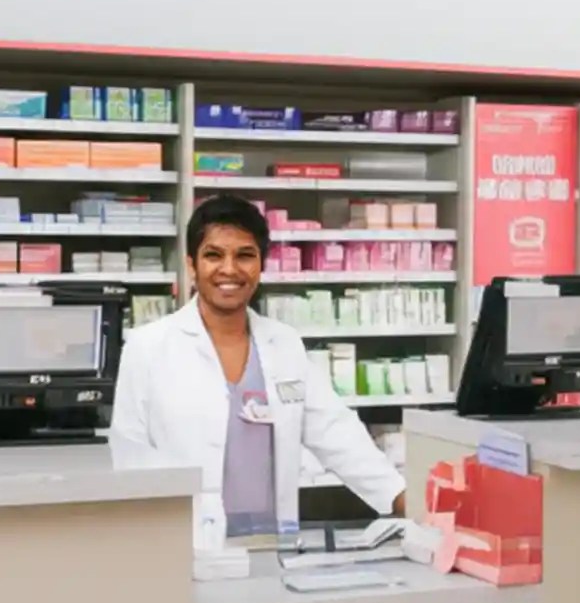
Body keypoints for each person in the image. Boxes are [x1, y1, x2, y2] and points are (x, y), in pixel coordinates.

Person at [109, 194, 405, 541]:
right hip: (180, 546)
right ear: (191, 264)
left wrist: (403, 498)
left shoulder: (285, 344)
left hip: (270, 545)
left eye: (245, 255)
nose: (229, 269)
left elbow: (337, 433)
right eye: (213, 255)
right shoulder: (147, 347)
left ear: (261, 265)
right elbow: (130, 460)